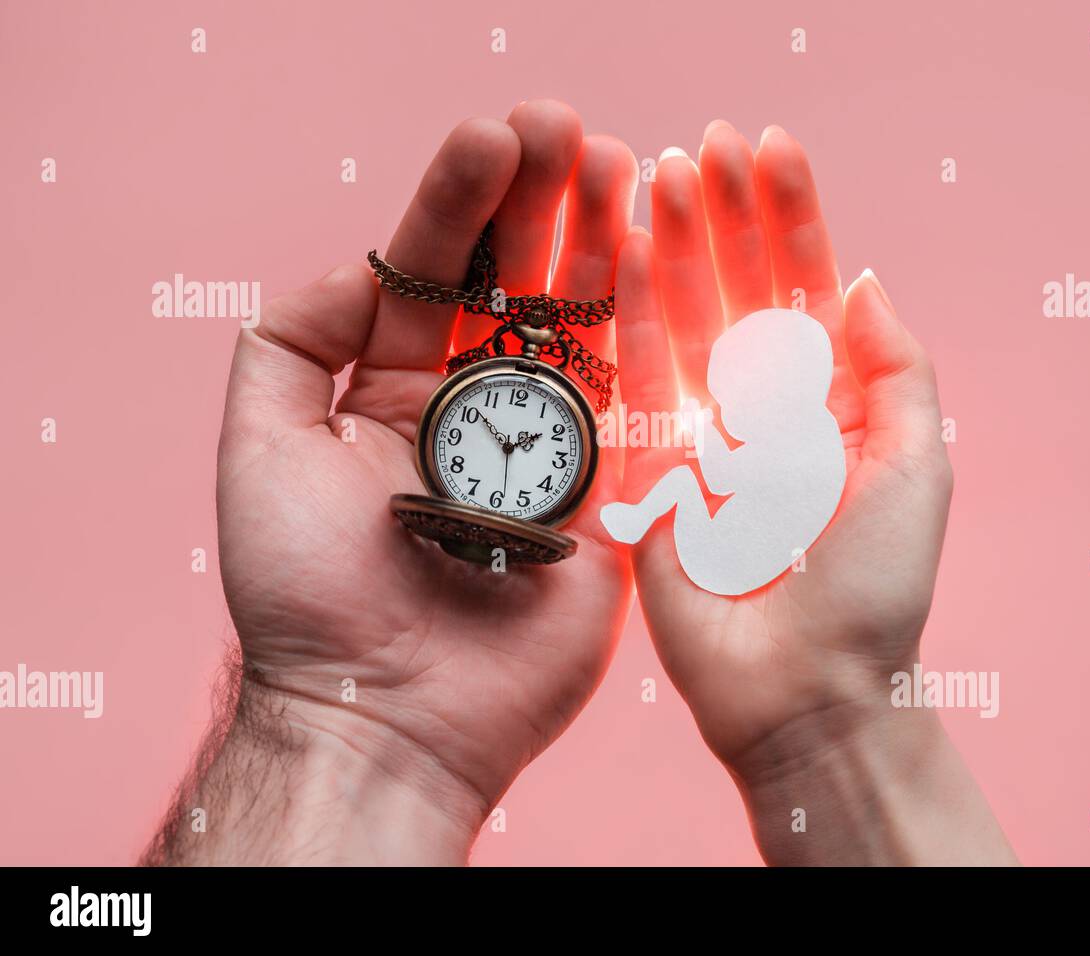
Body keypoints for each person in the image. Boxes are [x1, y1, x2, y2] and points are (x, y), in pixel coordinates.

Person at [141, 100, 1017, 867]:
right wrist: (348, 710)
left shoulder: (794, 441)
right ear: (456, 427)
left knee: (670, 496)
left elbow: (735, 471)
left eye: (535, 448)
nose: (518, 451)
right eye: (493, 438)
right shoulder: (775, 436)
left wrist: (327, 738)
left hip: (729, 527)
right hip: (722, 524)